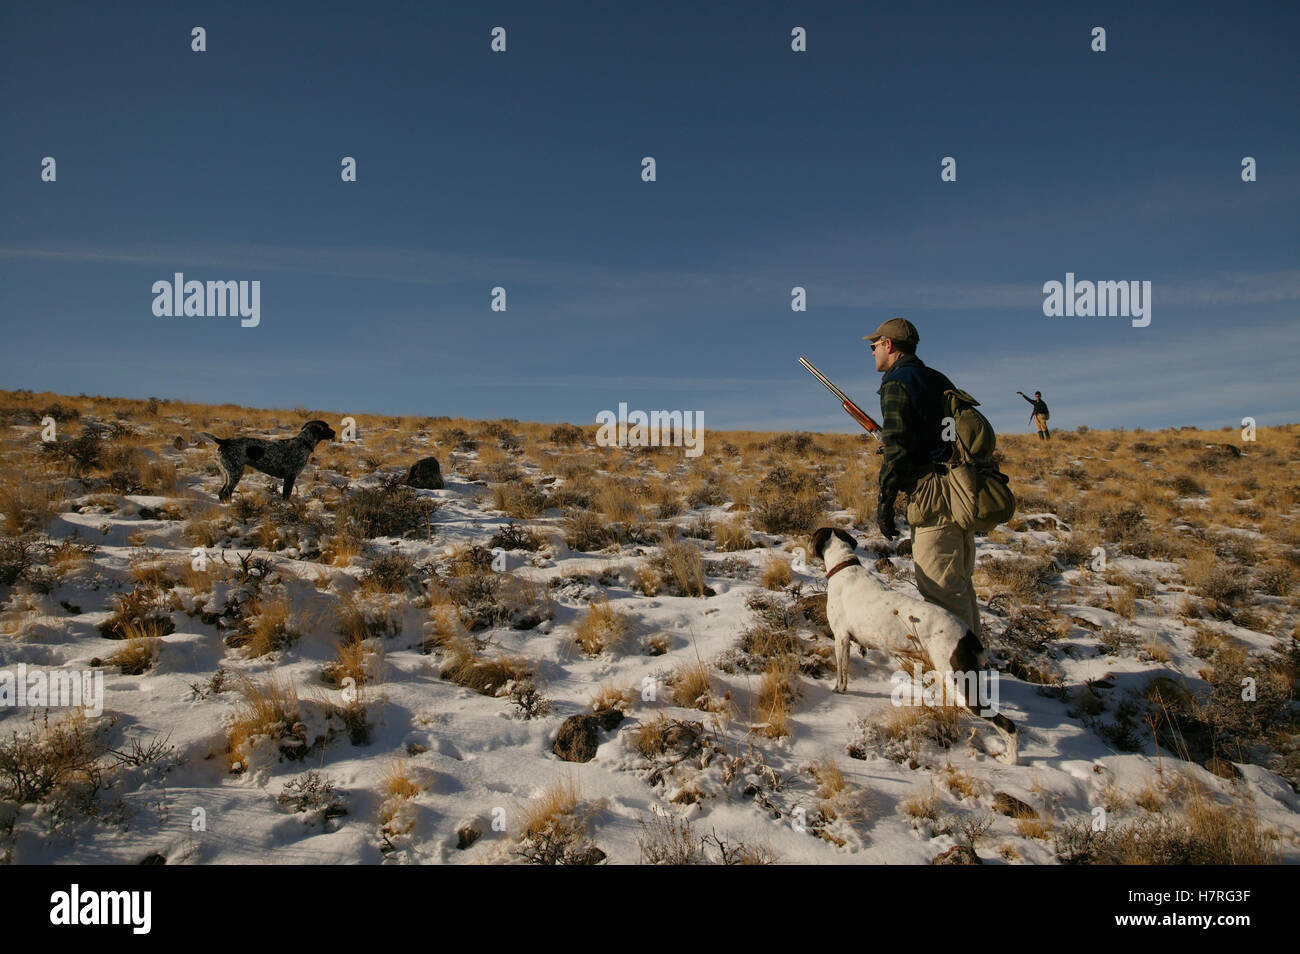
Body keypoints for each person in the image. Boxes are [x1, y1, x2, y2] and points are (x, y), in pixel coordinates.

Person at [864, 318, 981, 636]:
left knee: (942, 594)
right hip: (960, 489)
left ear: (889, 345)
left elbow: (898, 449)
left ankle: (961, 683)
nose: (872, 351)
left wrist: (885, 501)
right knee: (960, 589)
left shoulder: (896, 383)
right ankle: (974, 672)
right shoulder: (937, 378)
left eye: (874, 345)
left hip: (933, 498)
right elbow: (937, 436)